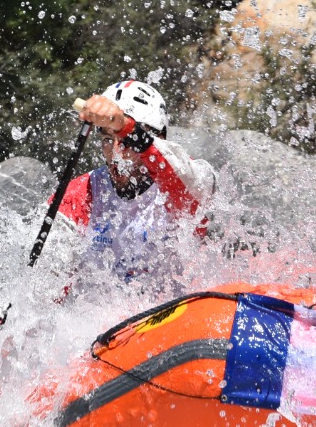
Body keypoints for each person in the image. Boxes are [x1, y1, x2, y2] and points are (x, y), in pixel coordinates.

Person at [52, 80, 215, 284]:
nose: (116, 153)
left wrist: (126, 127)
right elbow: (45, 280)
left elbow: (193, 181)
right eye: (107, 139)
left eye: (127, 142)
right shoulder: (80, 193)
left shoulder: (186, 180)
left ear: (160, 138)